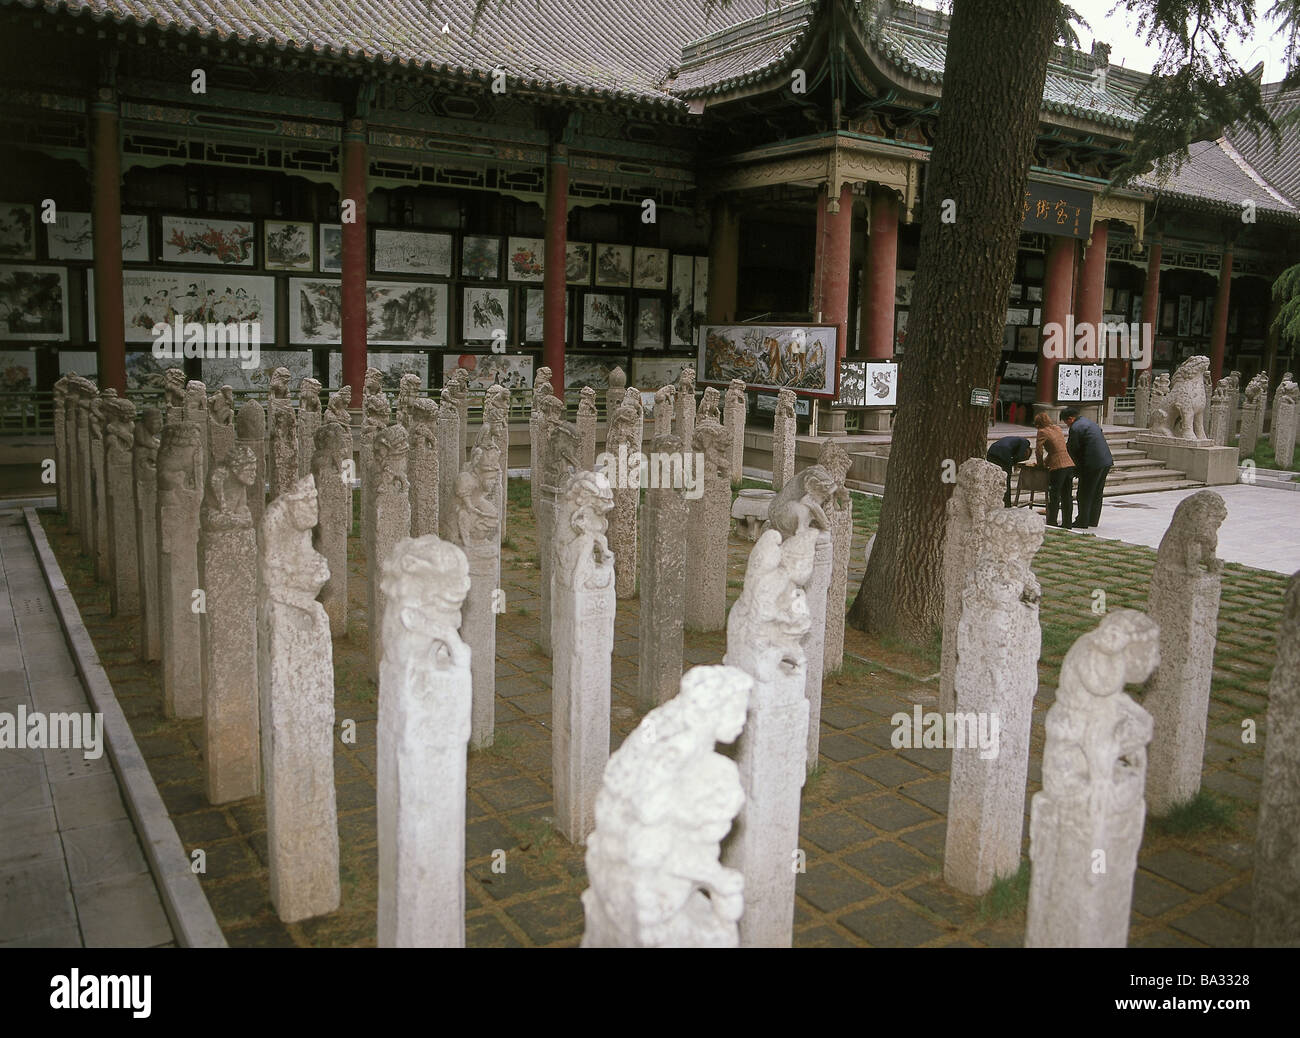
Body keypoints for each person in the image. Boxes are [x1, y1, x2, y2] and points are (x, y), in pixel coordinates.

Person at [1063, 407, 1113, 530]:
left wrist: (1072, 468)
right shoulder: (1090, 423)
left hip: (1092, 463)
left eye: (1066, 423)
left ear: (1070, 418)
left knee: (1084, 493)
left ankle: (1082, 521)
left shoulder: (1075, 427)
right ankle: (1093, 520)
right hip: (1105, 461)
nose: (1067, 425)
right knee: (1096, 492)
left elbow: (1072, 449)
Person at [1033, 412, 1074, 529]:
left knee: (1055, 495)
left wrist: (1040, 464)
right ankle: (1067, 523)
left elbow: (1039, 451)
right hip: (1069, 463)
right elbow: (1057, 449)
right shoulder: (1057, 428)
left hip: (1057, 466)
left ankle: (1052, 522)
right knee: (1067, 495)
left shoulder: (1042, 432)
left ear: (1038, 424)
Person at [985, 435, 1031, 508]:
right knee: (1006, 480)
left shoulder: (1016, 440)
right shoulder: (1025, 443)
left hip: (992, 451)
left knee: (994, 479)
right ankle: (1007, 504)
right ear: (1027, 451)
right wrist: (1016, 464)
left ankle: (992, 502)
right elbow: (1019, 455)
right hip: (1003, 453)